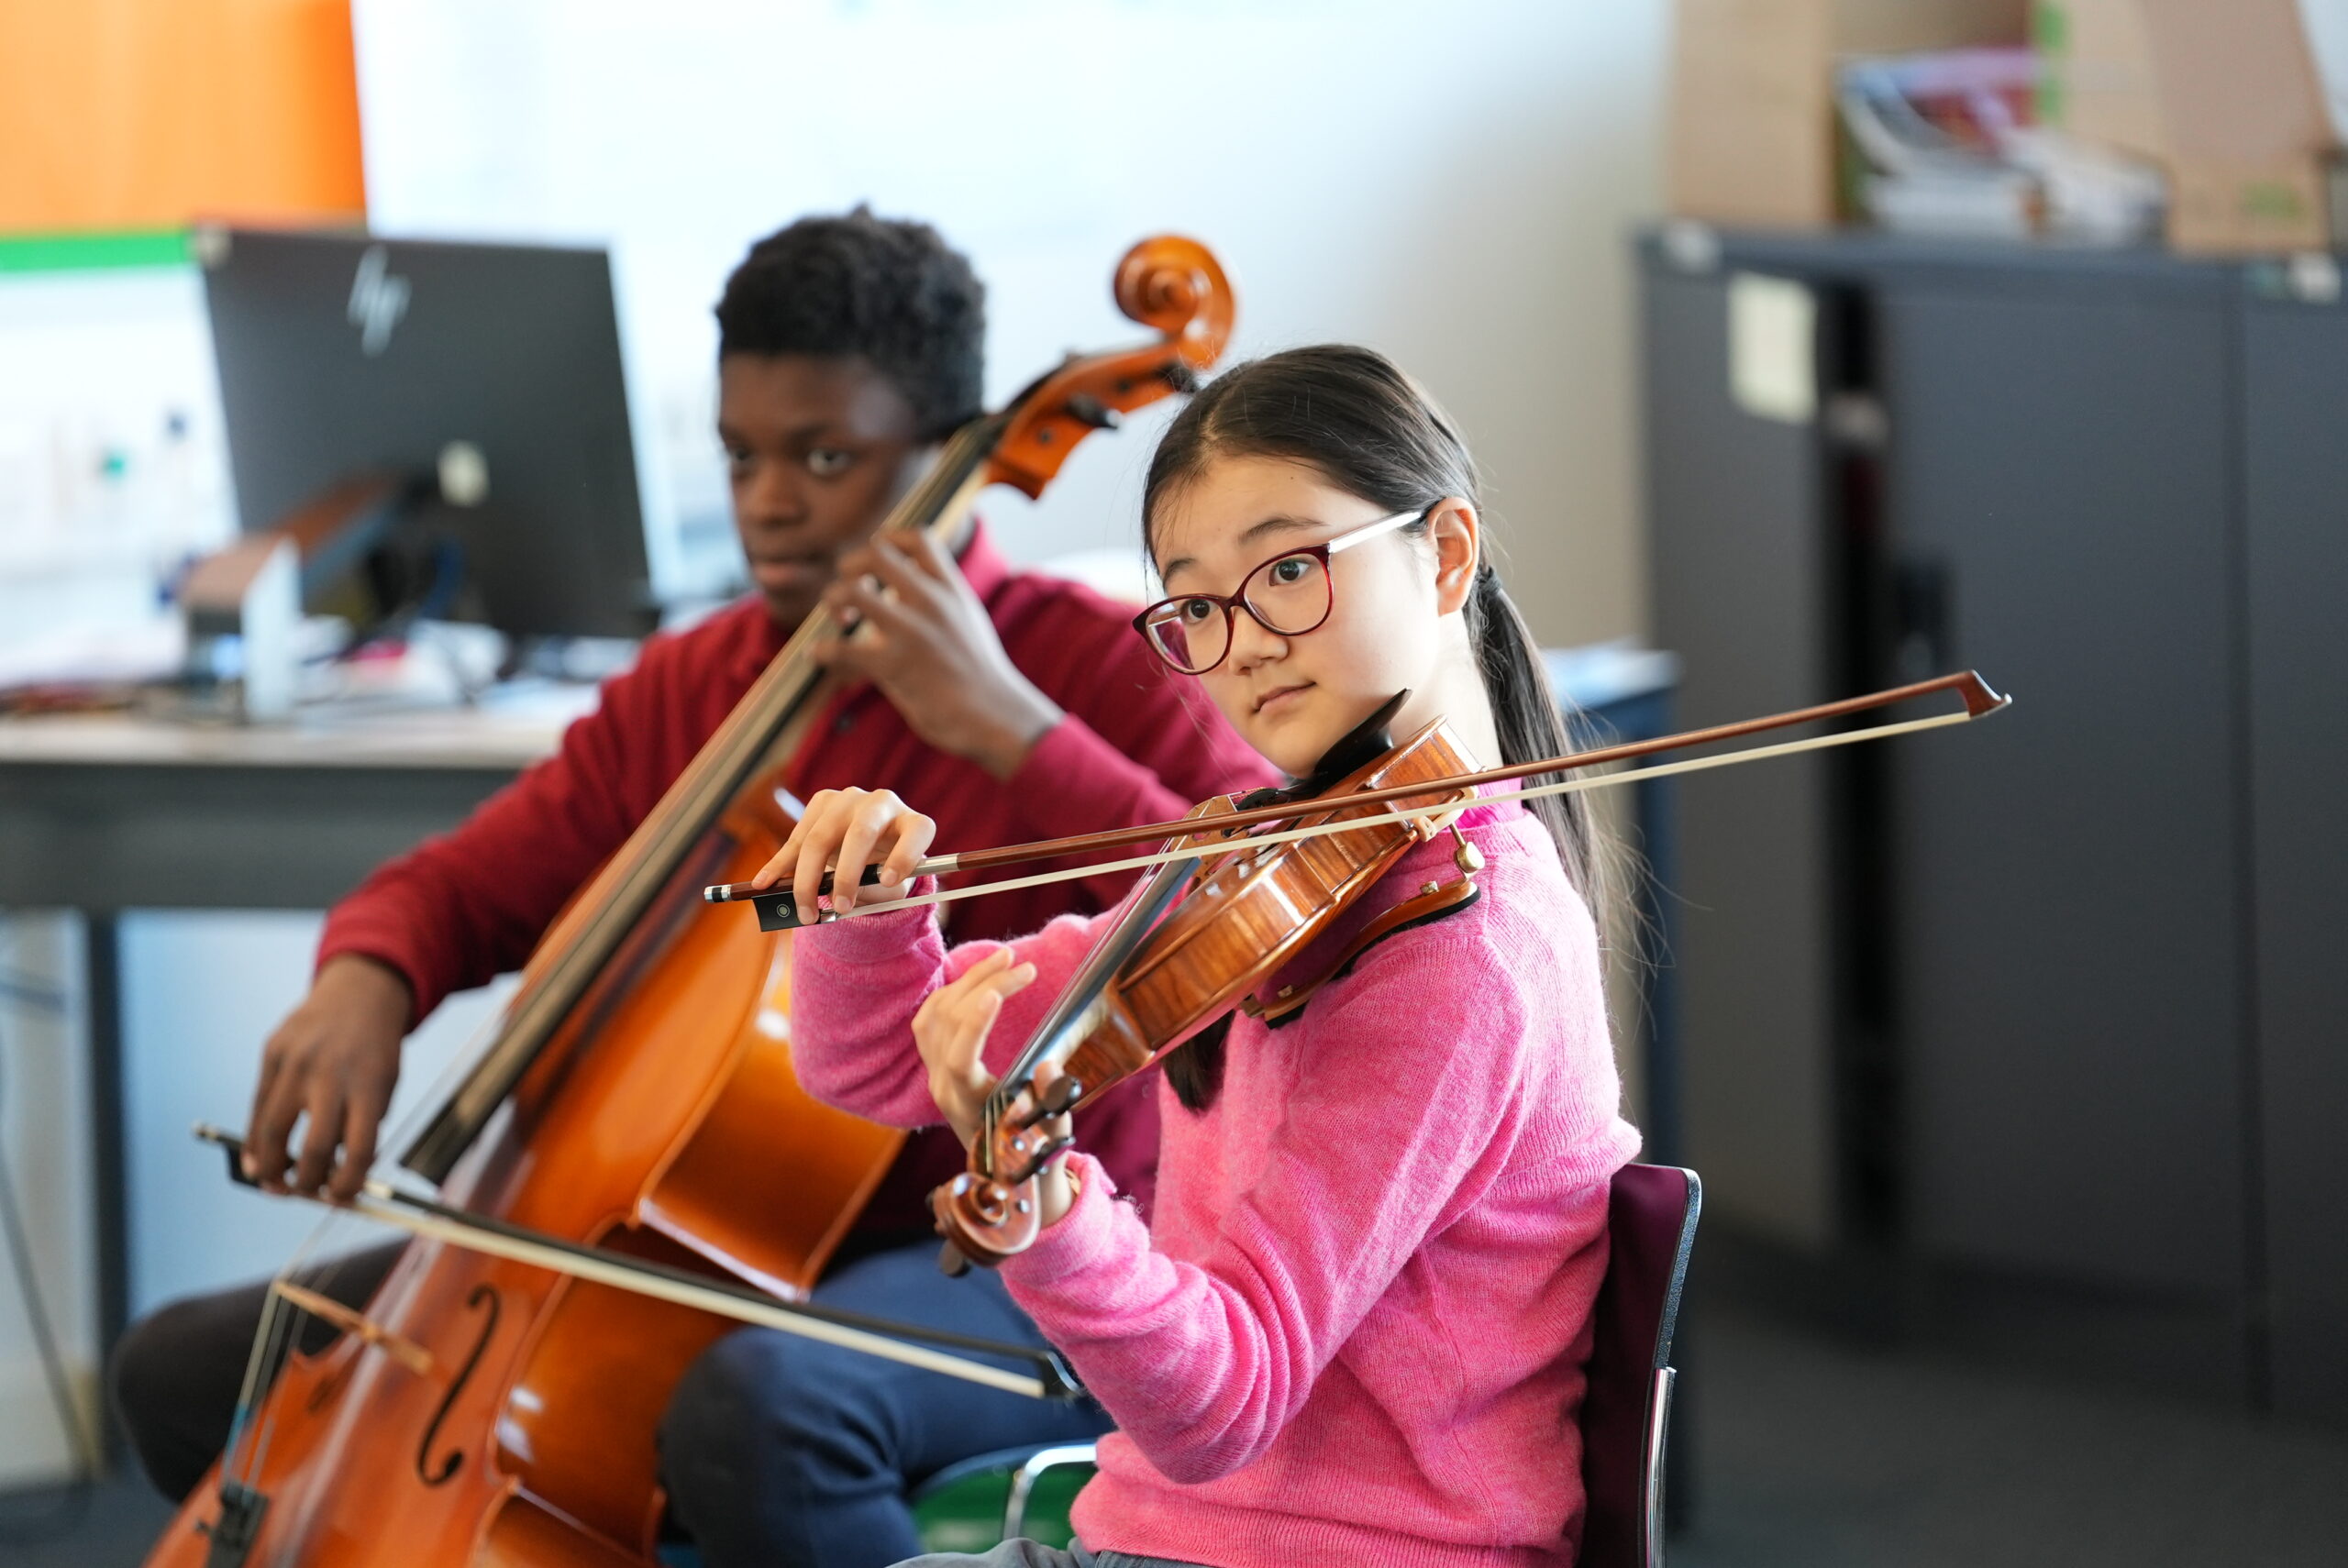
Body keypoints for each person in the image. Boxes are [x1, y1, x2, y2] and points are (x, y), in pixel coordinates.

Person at [106, 210, 1274, 1568]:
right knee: (184, 1369)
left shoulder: (1106, 663)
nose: (768, 502)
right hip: (704, 1240)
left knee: (769, 1413)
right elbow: (465, 884)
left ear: (951, 452)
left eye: (824, 458)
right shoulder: (701, 684)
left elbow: (1253, 906)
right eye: (740, 455)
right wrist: (361, 983)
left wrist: (1010, 730)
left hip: (1037, 1230)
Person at [761, 343, 1644, 1568]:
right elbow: (870, 1062)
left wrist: (1048, 1199)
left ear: (1445, 554)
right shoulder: (1273, 880)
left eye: (1287, 570)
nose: (1246, 644)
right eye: (1199, 605)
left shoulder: (1464, 950)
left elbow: (1223, 1402)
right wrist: (863, 910)